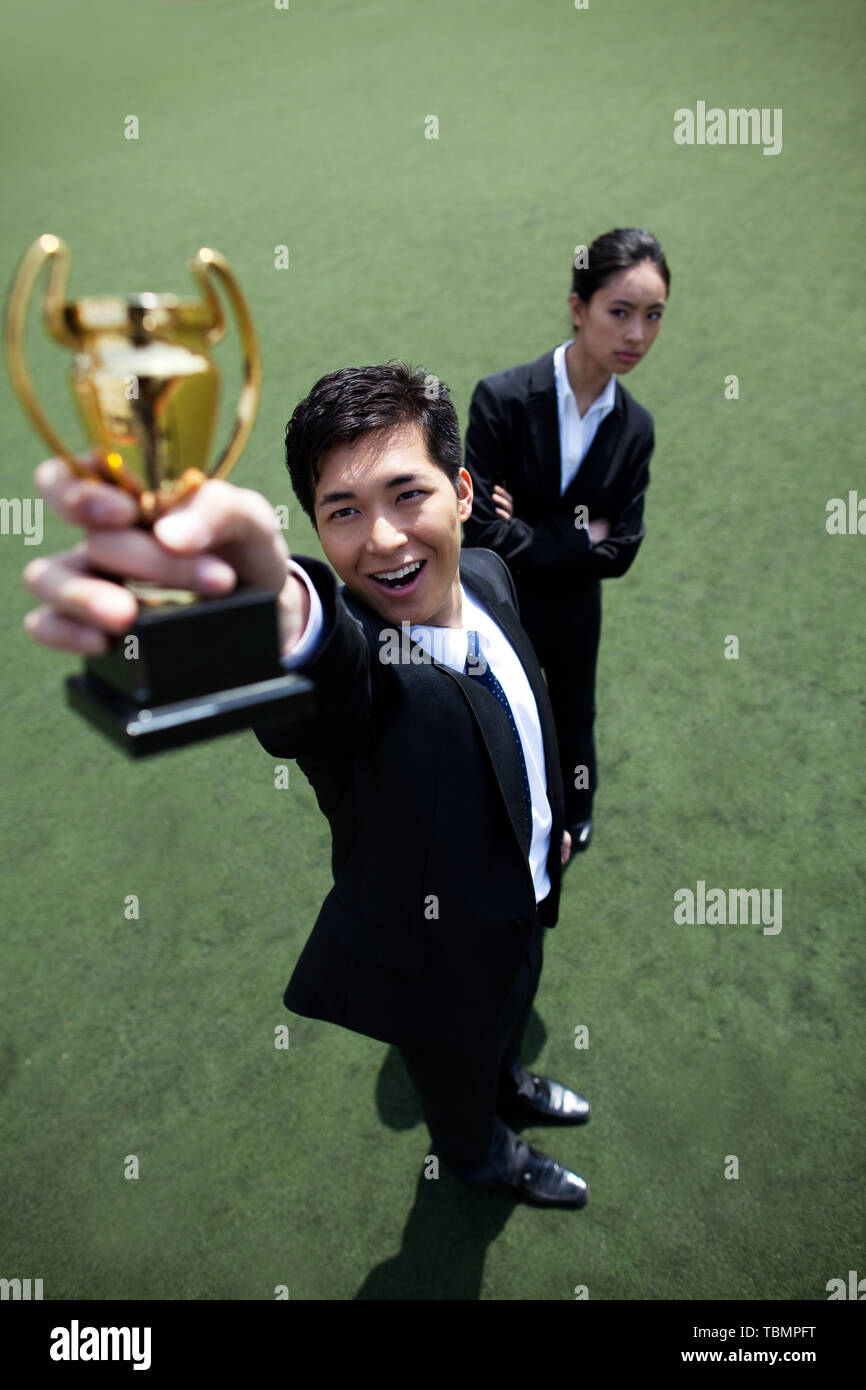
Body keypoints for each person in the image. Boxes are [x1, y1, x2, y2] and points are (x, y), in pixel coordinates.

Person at [22, 362, 593, 1209]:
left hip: (532, 886)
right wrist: (282, 608)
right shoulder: (360, 667)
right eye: (344, 512)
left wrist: (555, 823)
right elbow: (326, 685)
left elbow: (529, 708)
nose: (385, 541)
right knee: (452, 1060)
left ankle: (508, 1079)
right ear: (318, 532)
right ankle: (480, 1155)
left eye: (408, 495)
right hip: (432, 955)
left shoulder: (491, 576)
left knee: (509, 1010)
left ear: (463, 492)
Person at [462, 228, 670, 855]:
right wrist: (579, 535)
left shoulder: (636, 428)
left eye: (653, 316)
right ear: (578, 309)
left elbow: (623, 548)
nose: (637, 335)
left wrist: (526, 528)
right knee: (495, 711)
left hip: (577, 611)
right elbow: (480, 530)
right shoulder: (503, 399)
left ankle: (574, 815)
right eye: (620, 312)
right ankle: (495, 816)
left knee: (574, 716)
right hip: (503, 604)